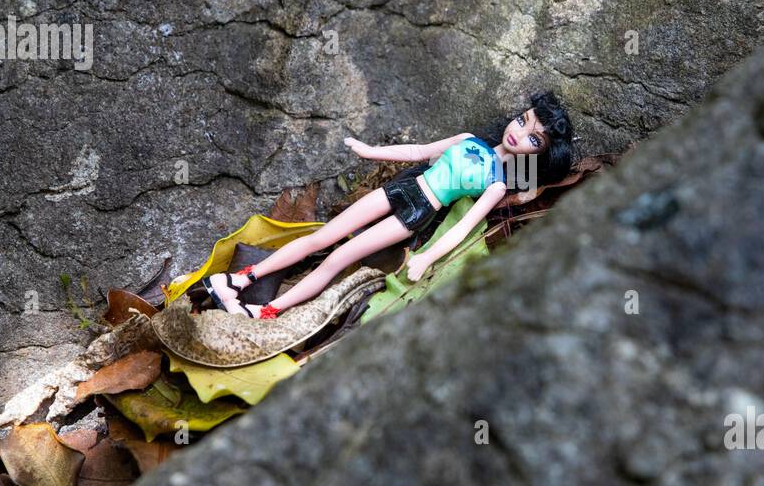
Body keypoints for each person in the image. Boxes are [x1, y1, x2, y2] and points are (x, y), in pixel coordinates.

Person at [202, 91, 575, 318]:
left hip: (417, 212)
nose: (519, 131)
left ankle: (265, 310)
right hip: (403, 189)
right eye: (523, 120)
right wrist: (371, 152)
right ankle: (237, 279)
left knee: (340, 257)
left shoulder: (496, 184)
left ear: (537, 155)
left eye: (533, 139)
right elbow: (419, 151)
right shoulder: (468, 139)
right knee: (324, 237)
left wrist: (426, 258)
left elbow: (462, 227)